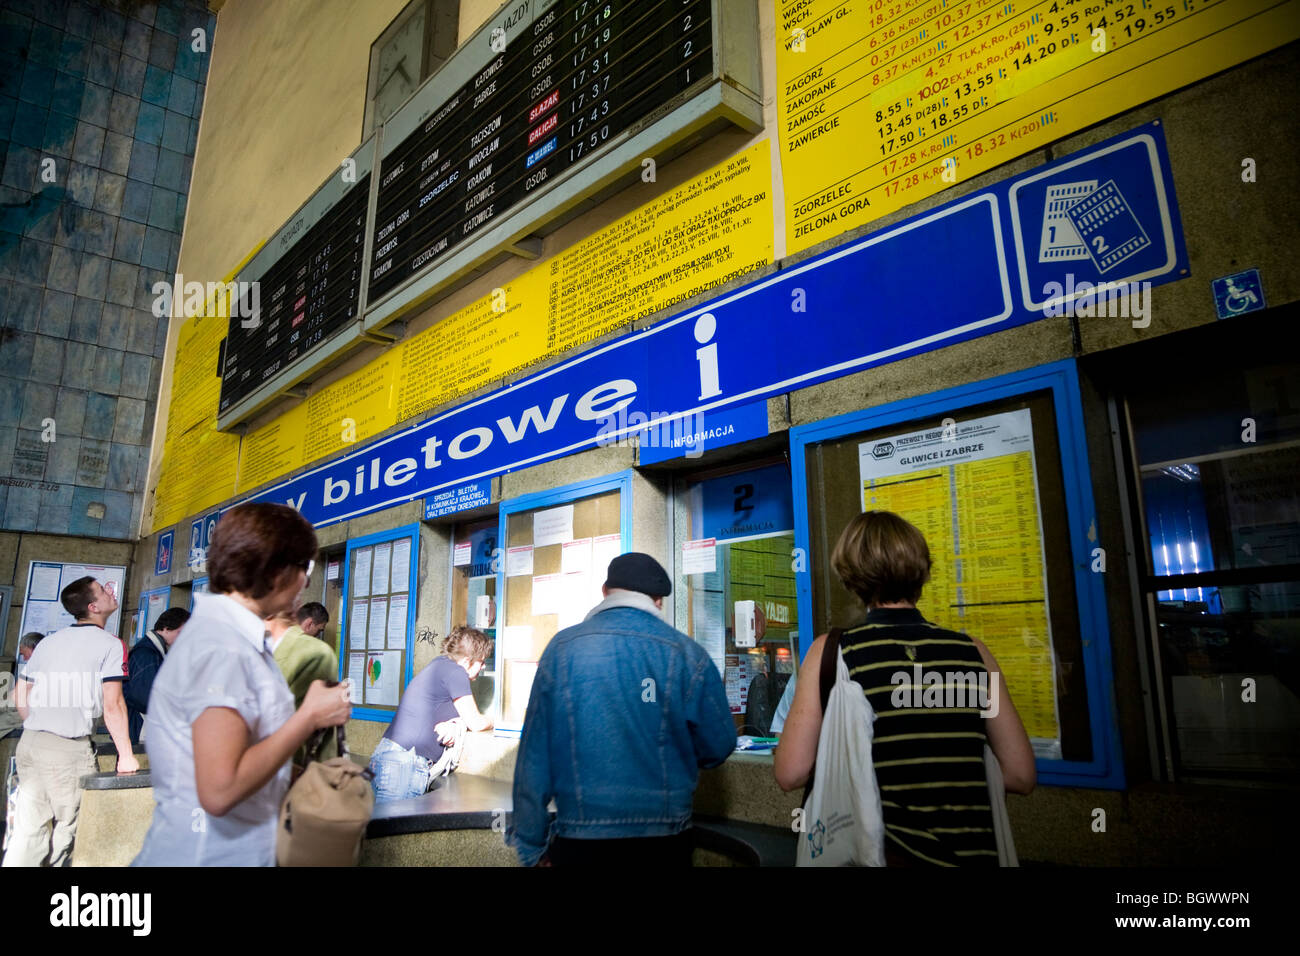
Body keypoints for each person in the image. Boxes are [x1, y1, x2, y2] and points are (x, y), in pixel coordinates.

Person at [773, 511, 1036, 867]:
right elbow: (1020, 774)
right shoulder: (974, 652)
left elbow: (790, 772)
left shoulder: (835, 651)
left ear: (852, 577)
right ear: (921, 572)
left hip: (886, 855)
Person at [132, 503, 351, 866]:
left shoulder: (234, 640)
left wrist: (303, 779)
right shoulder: (222, 648)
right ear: (276, 570)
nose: (308, 581)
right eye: (305, 567)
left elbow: (242, 749)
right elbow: (220, 789)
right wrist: (308, 718)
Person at [509, 553, 736, 867]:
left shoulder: (561, 650)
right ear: (658, 601)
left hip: (580, 840)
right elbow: (719, 746)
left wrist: (531, 846)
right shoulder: (687, 655)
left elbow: (533, 760)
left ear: (605, 591)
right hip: (665, 842)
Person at [3, 577, 137, 867]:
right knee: (69, 832)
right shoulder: (111, 645)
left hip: (31, 744)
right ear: (93, 606)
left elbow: (19, 692)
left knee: (28, 832)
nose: (111, 591)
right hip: (67, 751)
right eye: (103, 590)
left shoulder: (49, 641)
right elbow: (113, 705)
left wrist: (40, 724)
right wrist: (126, 756)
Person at [368, 626, 494, 802]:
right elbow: (476, 722)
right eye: (481, 662)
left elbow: (439, 710)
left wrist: (455, 724)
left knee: (380, 825)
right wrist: (494, 720)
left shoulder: (439, 664)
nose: (482, 668)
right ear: (467, 661)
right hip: (404, 764)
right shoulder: (456, 673)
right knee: (395, 827)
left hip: (389, 756)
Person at [124, 608, 190, 744]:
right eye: (180, 633)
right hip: (140, 729)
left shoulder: (152, 651)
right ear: (166, 629)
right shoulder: (147, 654)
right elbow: (145, 697)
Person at [270, 609, 338, 708]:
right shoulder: (316, 653)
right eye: (319, 630)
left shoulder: (274, 643)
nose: (318, 635)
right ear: (309, 624)